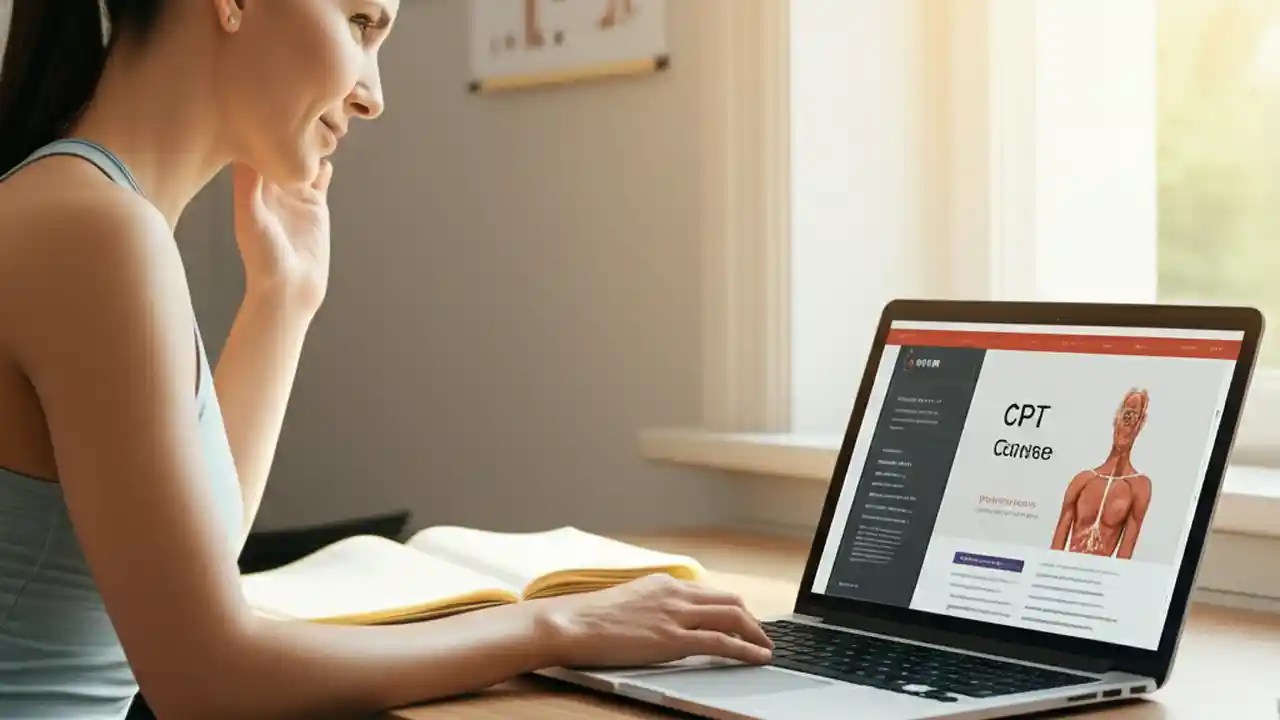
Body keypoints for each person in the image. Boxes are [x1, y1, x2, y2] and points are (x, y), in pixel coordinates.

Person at [0, 1, 772, 717]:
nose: (372, 96)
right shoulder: (93, 233)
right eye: (361, 23)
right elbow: (205, 676)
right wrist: (554, 626)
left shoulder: (90, 215)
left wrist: (282, 300)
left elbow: (186, 560)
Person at [1049, 389, 1154, 559]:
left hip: (1101, 571)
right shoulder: (1082, 480)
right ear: (1116, 419)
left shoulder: (1139, 486)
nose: (1128, 422)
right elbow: (1056, 547)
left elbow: (1125, 553)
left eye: (1134, 417)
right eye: (1126, 415)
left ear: (1141, 424)